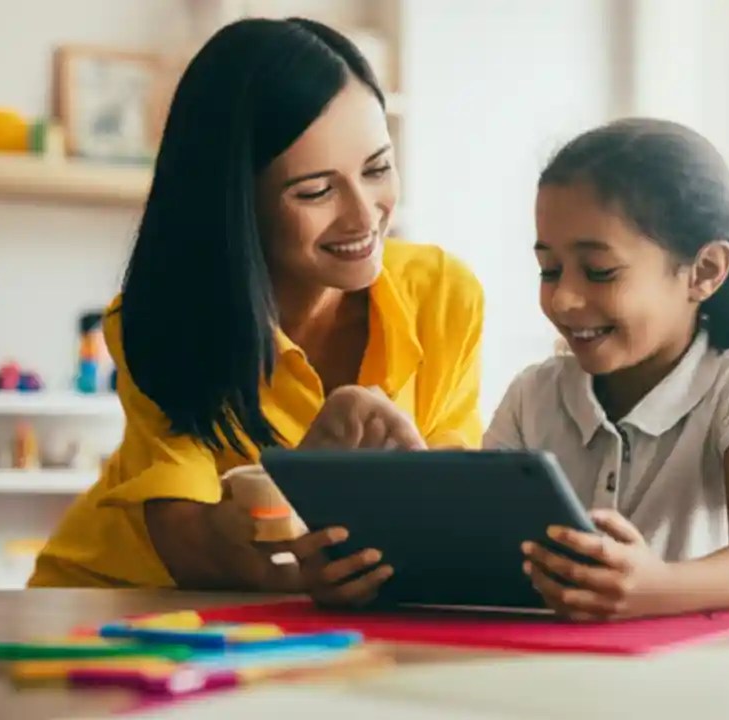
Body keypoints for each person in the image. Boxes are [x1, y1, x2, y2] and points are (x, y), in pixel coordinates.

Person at [28, 18, 484, 600]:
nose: (364, 214)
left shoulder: (443, 293)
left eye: (377, 168)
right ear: (238, 202)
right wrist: (308, 476)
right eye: (317, 191)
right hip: (113, 601)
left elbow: (449, 500)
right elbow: (186, 538)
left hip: (300, 616)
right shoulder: (163, 318)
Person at [488, 118, 729, 620]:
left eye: (600, 271)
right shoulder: (531, 395)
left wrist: (657, 586)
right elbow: (487, 540)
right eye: (549, 270)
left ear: (705, 272)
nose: (563, 298)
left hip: (727, 667)